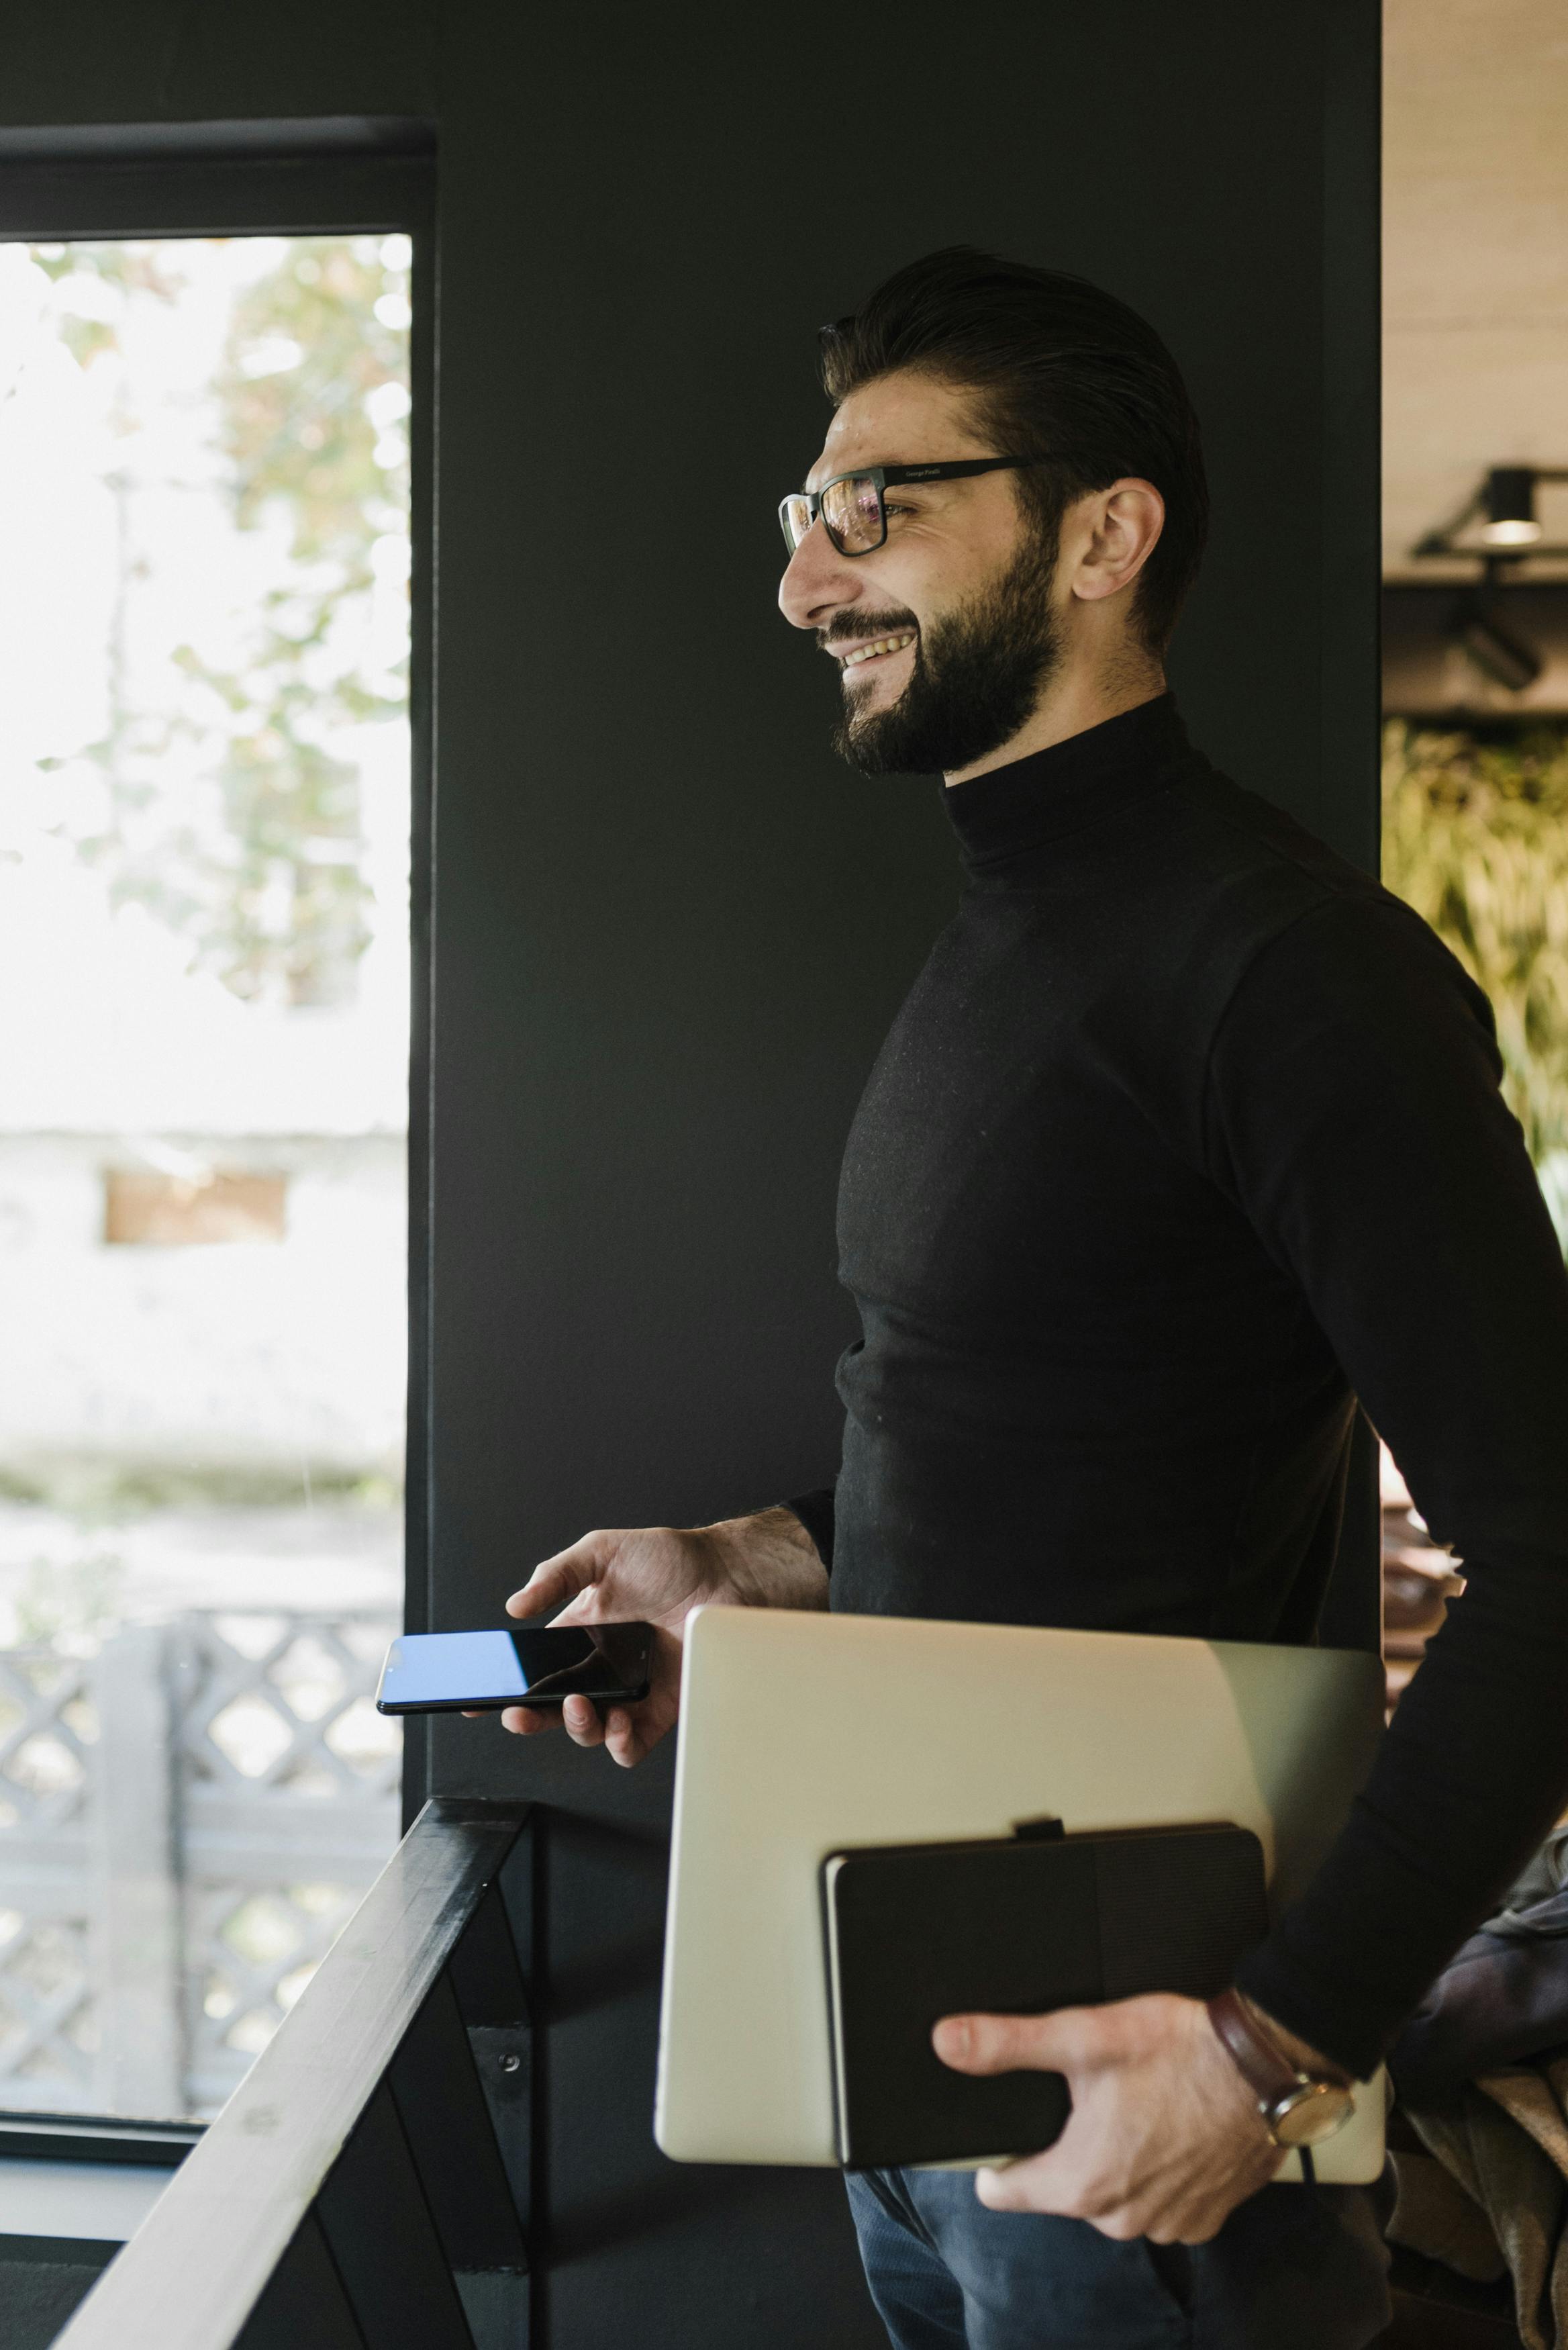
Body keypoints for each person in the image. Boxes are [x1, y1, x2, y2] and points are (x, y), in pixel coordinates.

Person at [495, 250, 1568, 2348]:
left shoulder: (1293, 973)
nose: (809, 583)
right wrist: (745, 1562)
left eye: (878, 507)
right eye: (804, 516)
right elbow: (1043, 1422)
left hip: (1148, 2103)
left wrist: (1266, 2056)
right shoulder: (1012, 927)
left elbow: (1557, 1550)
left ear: (1103, 533)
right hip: (929, 2082)